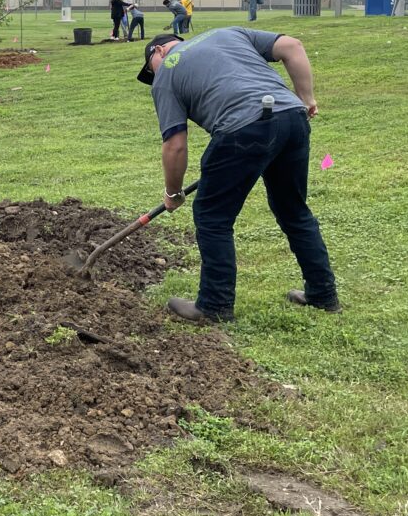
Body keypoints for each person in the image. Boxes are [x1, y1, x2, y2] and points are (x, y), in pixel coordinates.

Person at [136, 27, 339, 326]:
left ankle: (215, 305)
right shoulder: (228, 33)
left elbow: (175, 145)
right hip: (292, 118)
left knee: (212, 216)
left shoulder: (166, 70)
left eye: (150, 70)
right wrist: (306, 99)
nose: (154, 76)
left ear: (161, 51)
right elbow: (292, 47)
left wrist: (173, 192)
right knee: (293, 210)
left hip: (242, 128)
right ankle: (323, 295)